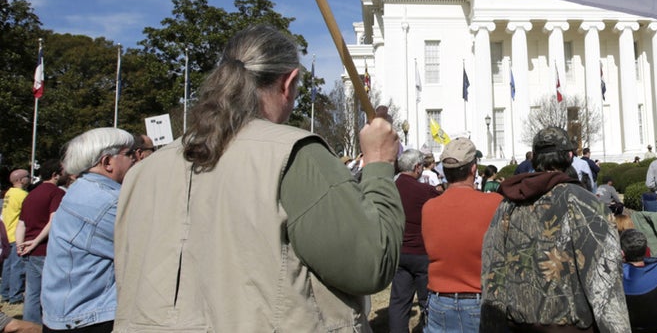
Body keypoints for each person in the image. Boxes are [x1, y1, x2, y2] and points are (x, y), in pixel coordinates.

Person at [114, 24, 405, 331]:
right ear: (288, 83)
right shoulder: (295, 154)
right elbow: (371, 263)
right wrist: (378, 163)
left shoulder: (142, 173)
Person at [480, 126, 629, 332]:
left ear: (534, 159)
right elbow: (605, 278)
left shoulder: (508, 204)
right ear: (569, 157)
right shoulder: (584, 202)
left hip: (519, 325)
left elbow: (492, 268)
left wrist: (490, 326)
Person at [42, 128, 137, 332]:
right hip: (91, 317)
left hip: (71, 313)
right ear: (107, 162)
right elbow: (148, 250)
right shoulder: (106, 202)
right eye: (129, 153)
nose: (136, 159)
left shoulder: (82, 189)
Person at [422, 138, 503, 333]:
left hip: (439, 298)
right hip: (477, 297)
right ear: (473, 169)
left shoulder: (429, 207)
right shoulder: (494, 203)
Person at [391, 149, 440, 333]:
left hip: (399, 251)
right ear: (417, 167)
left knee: (399, 301)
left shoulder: (391, 188)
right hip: (421, 251)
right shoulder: (424, 190)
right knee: (427, 301)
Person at [15, 160, 68, 325]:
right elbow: (53, 221)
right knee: (55, 290)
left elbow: (21, 224)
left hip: (30, 251)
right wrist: (36, 242)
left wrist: (20, 245)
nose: (67, 174)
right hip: (45, 250)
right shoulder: (56, 193)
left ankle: (31, 325)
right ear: (55, 175)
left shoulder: (31, 195)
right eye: (64, 171)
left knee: (32, 293)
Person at [1, 168, 30, 304]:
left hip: (6, 234)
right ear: (20, 180)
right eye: (28, 176)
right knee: (18, 267)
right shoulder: (22, 195)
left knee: (7, 267)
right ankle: (16, 296)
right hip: (16, 234)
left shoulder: (9, 193)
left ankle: (5, 293)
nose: (30, 178)